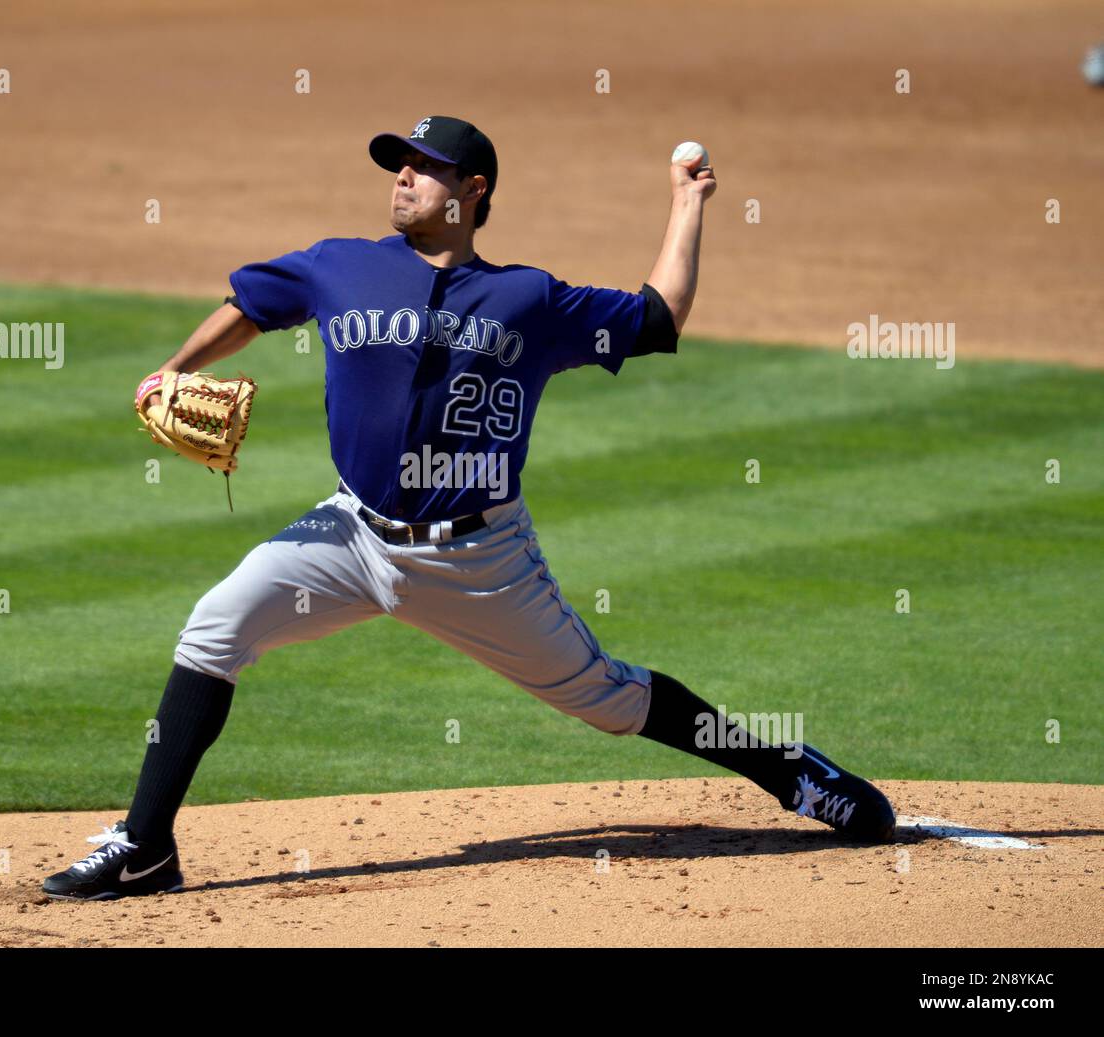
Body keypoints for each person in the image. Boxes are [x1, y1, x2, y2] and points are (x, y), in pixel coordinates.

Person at [43, 115, 895, 902]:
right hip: (348, 533)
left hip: (477, 560)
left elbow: (658, 317)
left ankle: (793, 774)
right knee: (214, 627)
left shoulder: (528, 298)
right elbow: (252, 307)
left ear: (474, 190)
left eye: (425, 166)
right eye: (398, 163)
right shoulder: (339, 264)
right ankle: (145, 845)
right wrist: (173, 367)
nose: (404, 176)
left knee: (608, 699)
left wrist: (686, 203)